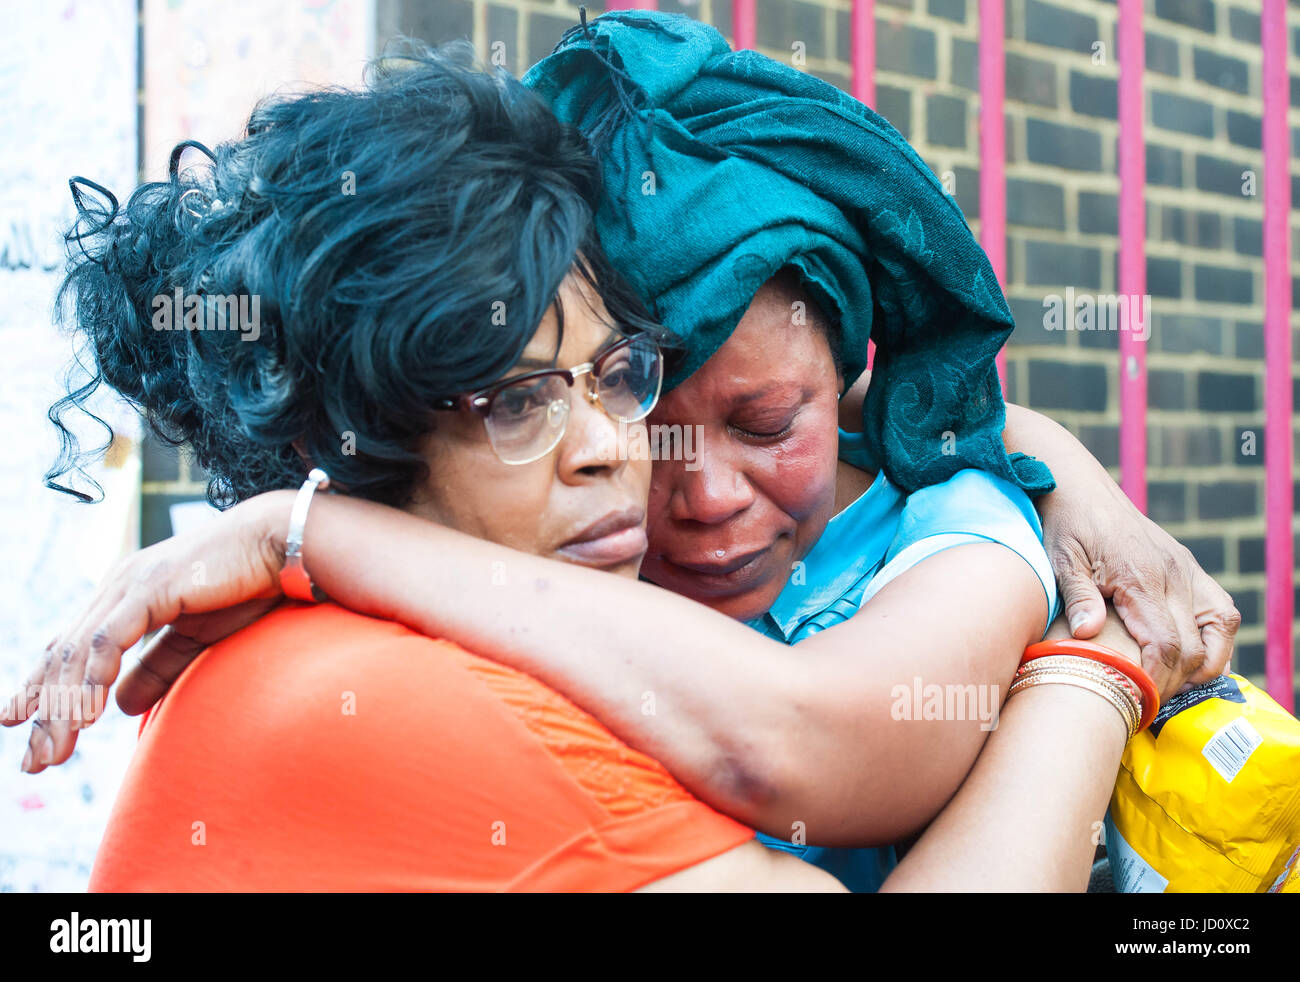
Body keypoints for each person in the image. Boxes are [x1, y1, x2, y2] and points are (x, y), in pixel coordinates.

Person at [11, 22, 1232, 891]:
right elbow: (795, 742)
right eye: (512, 402)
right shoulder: (411, 700)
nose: (620, 456)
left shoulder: (480, 628)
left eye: (614, 379)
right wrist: (1096, 663)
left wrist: (1032, 449)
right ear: (349, 439)